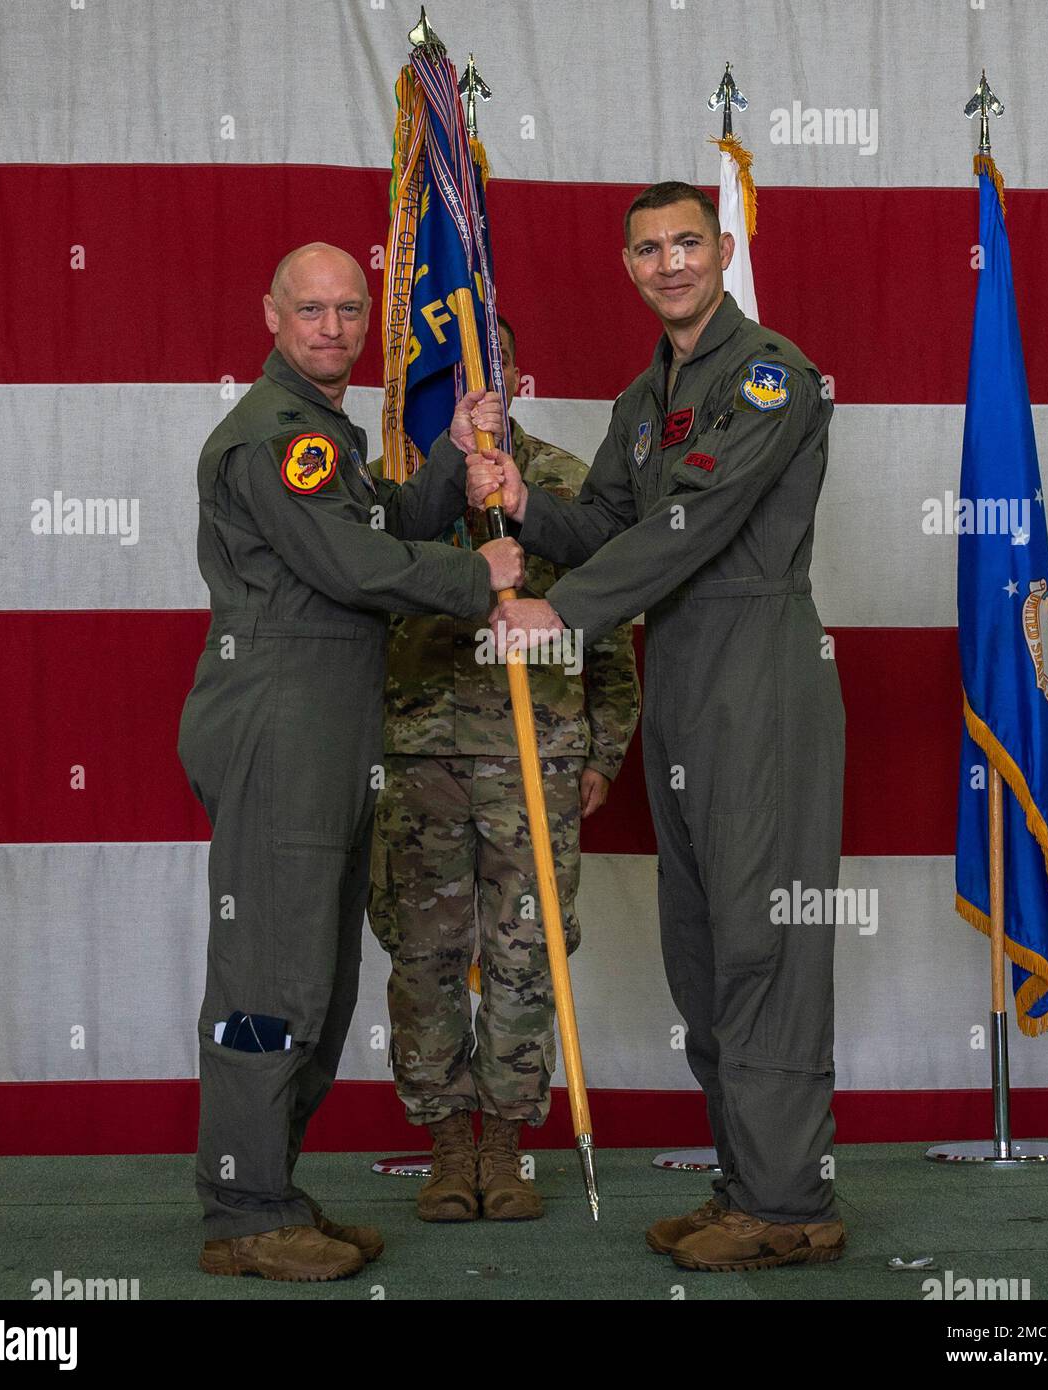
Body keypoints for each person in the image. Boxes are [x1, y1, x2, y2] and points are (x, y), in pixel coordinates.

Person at [466, 183, 846, 1272]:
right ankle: (748, 1182)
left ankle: (788, 1201)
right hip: (679, 671)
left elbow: (695, 519)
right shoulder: (645, 396)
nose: (668, 263)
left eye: (686, 243)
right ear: (628, 265)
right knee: (702, 946)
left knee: (760, 942)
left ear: (721, 251)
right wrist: (526, 505)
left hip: (757, 673)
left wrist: (563, 615)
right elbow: (608, 522)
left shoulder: (768, 373)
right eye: (647, 249)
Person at [177, 242, 523, 1281]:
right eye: (310, 309)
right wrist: (476, 574)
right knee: (267, 979)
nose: (331, 328)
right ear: (270, 315)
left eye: (348, 310)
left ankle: (270, 1193)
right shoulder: (276, 435)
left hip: (319, 730)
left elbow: (374, 524)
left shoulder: (320, 431)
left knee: (313, 979)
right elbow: (352, 564)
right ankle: (244, 1209)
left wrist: (450, 457)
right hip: (279, 728)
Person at [368, 315, 641, 1222]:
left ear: (517, 377)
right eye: (451, 373)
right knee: (425, 954)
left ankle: (504, 1143)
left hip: (537, 754)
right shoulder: (390, 489)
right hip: (416, 756)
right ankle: (448, 1142)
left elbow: (608, 622)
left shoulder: (563, 482)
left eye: (488, 367)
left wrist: (604, 747)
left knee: (527, 954)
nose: (472, 387)